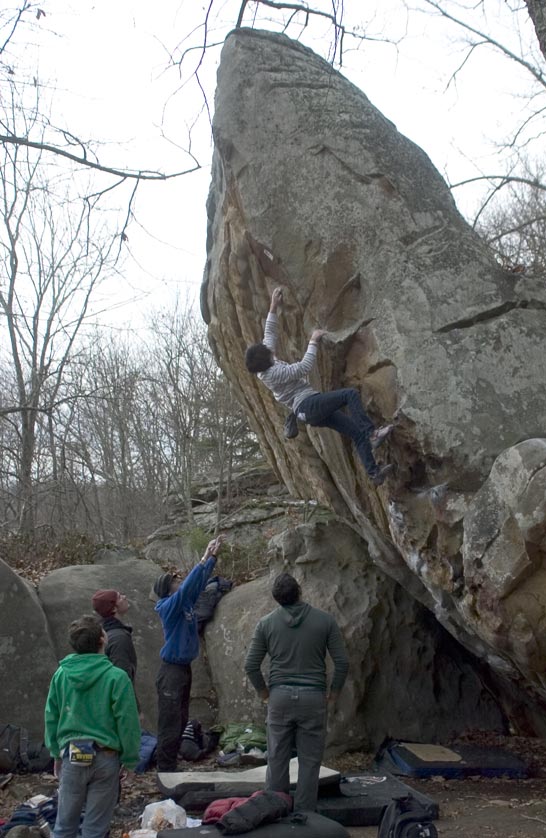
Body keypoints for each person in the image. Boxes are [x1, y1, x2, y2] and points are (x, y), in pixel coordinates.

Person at [244, 287, 394, 486]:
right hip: (308, 406)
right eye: (268, 352)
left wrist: (273, 305)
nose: (271, 351)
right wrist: (313, 341)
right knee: (350, 395)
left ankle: (374, 474)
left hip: (309, 411)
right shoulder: (273, 374)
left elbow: (269, 334)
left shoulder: (266, 362)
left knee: (355, 434)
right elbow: (304, 367)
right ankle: (372, 433)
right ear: (266, 360)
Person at [244, 573, 349, 813]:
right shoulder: (325, 621)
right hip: (313, 698)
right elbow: (342, 663)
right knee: (310, 762)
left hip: (279, 697)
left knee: (277, 758)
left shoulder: (266, 624)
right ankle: (304, 818)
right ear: (300, 591)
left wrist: (264, 694)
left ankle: (274, 812)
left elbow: (251, 665)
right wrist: (333, 693)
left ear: (276, 599)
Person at [44, 615, 140, 838]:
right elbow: (128, 722)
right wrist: (130, 760)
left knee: (64, 826)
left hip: (72, 753)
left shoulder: (61, 675)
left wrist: (55, 753)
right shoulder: (117, 677)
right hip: (106, 756)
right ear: (103, 639)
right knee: (95, 829)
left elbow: (52, 715)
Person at [152, 535, 223, 772]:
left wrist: (211, 557)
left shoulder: (184, 603)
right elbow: (188, 587)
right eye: (173, 581)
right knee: (170, 723)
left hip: (183, 669)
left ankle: (172, 765)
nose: (178, 581)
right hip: (170, 671)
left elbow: (198, 583)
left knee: (181, 720)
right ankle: (166, 769)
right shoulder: (168, 606)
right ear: (167, 589)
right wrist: (202, 558)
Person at [91, 589, 137, 685]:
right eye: (119, 597)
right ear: (114, 609)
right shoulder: (119, 638)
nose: (124, 597)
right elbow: (122, 677)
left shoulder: (103, 631)